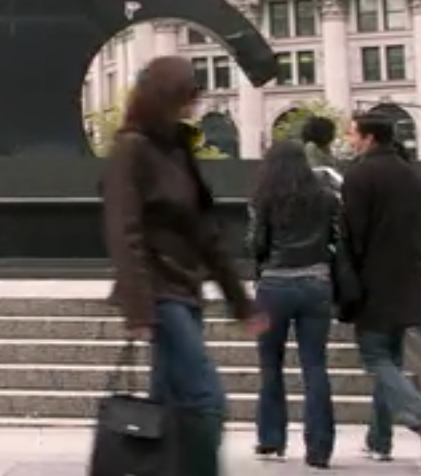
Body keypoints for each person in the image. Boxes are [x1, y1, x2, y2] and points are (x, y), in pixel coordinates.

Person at [101, 55, 264, 476]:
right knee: (205, 403)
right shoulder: (132, 148)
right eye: (184, 100)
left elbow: (206, 232)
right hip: (161, 296)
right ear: (164, 99)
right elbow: (125, 229)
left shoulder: (176, 150)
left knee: (172, 406)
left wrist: (240, 301)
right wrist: (139, 307)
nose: (190, 109)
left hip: (185, 292)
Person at [245, 140, 338, 467]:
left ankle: (271, 438)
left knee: (271, 365)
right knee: (315, 365)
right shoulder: (325, 197)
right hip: (316, 285)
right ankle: (319, 448)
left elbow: (256, 244)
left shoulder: (264, 198)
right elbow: (334, 239)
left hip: (274, 285)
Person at [341, 111, 421, 463]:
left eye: (354, 134)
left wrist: (347, 284)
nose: (350, 139)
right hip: (410, 282)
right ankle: (379, 439)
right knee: (391, 361)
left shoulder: (359, 176)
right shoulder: (412, 175)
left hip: (374, 283)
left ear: (370, 138)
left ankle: (416, 413)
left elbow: (353, 236)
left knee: (375, 358)